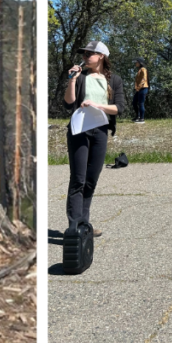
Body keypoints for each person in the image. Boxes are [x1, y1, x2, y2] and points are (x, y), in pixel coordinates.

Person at [61, 40, 122, 238]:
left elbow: (119, 108)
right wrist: (71, 80)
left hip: (100, 131)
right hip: (79, 130)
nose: (86, 57)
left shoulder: (114, 80)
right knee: (78, 179)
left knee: (90, 180)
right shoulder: (80, 77)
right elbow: (68, 103)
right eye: (84, 54)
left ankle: (84, 225)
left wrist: (97, 105)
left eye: (90, 54)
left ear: (101, 56)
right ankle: (75, 226)